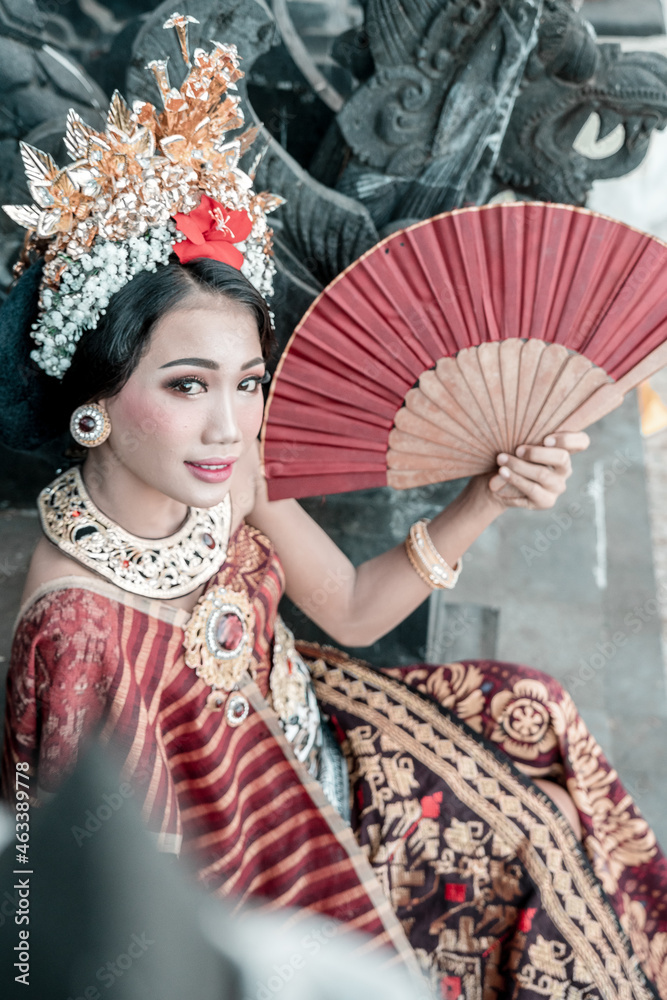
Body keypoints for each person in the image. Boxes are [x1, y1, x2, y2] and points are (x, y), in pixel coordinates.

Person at [1, 15, 666, 1000]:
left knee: (539, 731)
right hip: (240, 879)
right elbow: (69, 912)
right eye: (187, 385)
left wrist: (484, 495)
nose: (230, 424)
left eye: (248, 381)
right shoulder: (74, 626)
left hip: (324, 748)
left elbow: (351, 610)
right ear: (92, 401)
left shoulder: (232, 478)